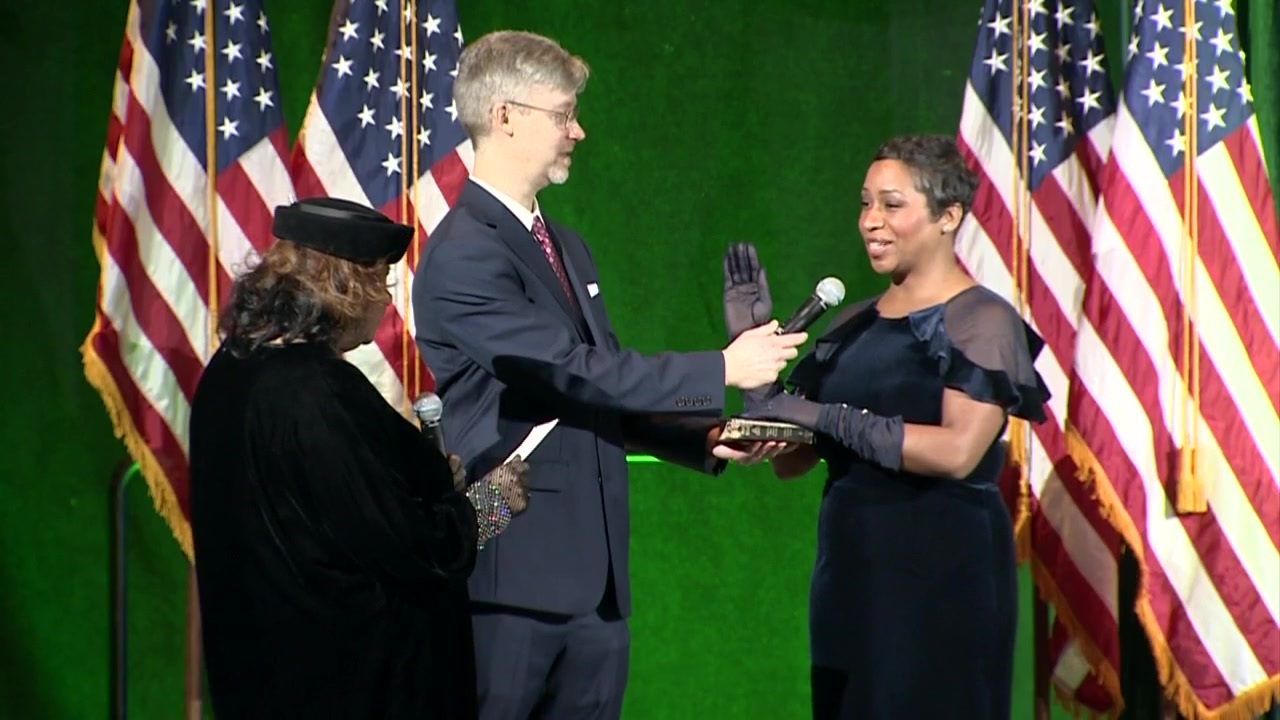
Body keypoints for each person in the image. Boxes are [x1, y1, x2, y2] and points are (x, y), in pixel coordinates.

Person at [412, 30, 805, 720]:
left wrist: (702, 435)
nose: (579, 130)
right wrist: (720, 367)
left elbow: (596, 394)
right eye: (564, 114)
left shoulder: (567, 244)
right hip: (511, 578)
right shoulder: (464, 252)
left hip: (595, 594)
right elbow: (566, 372)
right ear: (505, 116)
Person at [723, 135, 1050, 719]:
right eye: (865, 203)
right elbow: (791, 461)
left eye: (892, 204)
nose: (871, 221)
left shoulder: (983, 320)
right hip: (851, 581)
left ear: (948, 217)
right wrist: (757, 377)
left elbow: (956, 452)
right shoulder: (851, 324)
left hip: (945, 578)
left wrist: (826, 416)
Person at [189, 197, 529, 719]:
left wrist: (423, 478)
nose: (388, 302)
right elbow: (407, 545)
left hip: (258, 679)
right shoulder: (318, 391)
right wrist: (489, 505)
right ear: (348, 286)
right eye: (382, 281)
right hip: (348, 686)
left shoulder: (228, 370)